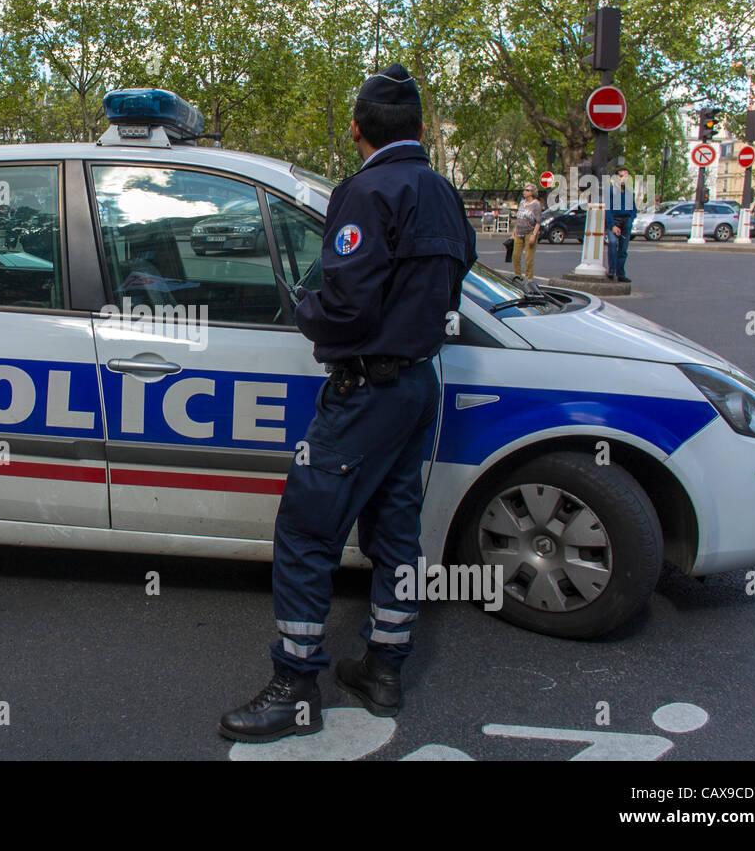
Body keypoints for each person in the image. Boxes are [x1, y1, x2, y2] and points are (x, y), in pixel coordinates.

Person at [217, 64, 477, 742]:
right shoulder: (443, 192)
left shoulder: (366, 192)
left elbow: (347, 303)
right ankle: (384, 669)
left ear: (357, 130)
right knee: (395, 531)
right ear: (418, 127)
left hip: (365, 392)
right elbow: (458, 274)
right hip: (419, 384)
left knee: (306, 531)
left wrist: (308, 312)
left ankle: (295, 687)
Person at [605, 166, 636, 281]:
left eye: (627, 176)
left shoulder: (629, 192)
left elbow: (633, 208)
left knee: (623, 249)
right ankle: (612, 270)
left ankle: (621, 274)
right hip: (614, 220)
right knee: (613, 244)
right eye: (622, 176)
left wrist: (631, 219)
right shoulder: (611, 191)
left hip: (626, 221)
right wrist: (612, 225)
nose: (625, 179)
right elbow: (607, 210)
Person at [511, 183, 542, 280]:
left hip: (530, 232)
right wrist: (513, 232)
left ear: (532, 192)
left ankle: (529, 278)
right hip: (519, 232)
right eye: (524, 190)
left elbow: (538, 221)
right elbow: (519, 218)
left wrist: (534, 235)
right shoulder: (522, 203)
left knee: (529, 258)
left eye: (527, 190)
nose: (525, 192)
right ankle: (518, 275)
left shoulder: (536, 204)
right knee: (515, 256)